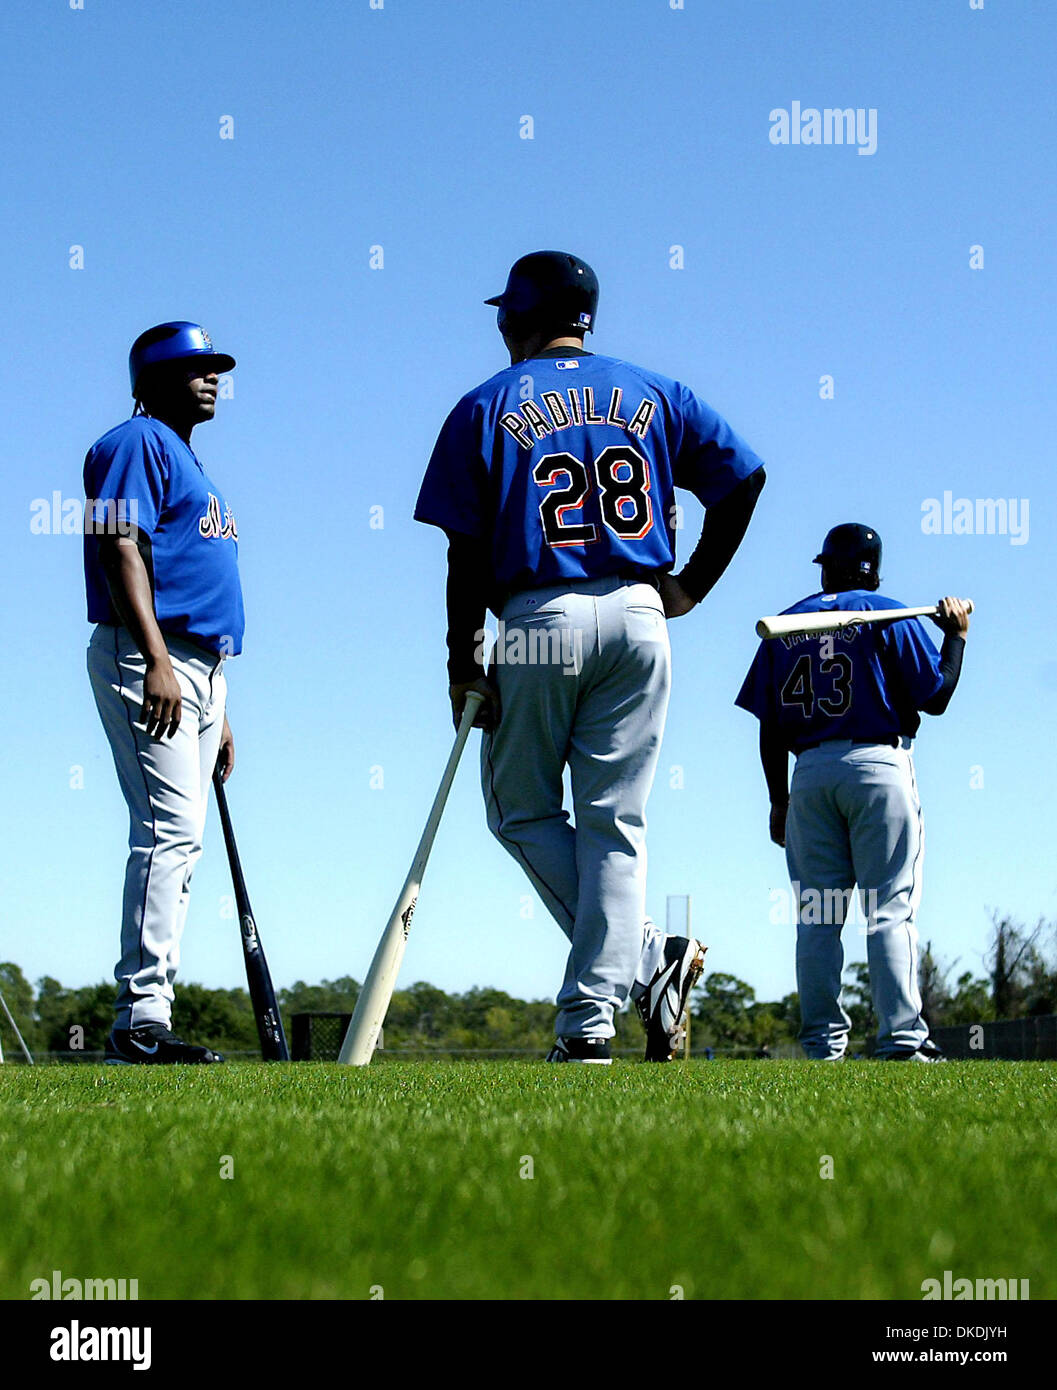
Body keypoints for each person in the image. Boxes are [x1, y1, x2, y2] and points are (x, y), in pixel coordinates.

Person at [415, 251, 766, 1062]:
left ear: (518, 315)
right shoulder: (652, 390)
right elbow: (742, 481)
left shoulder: (484, 403)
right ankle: (603, 1011)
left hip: (540, 610)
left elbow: (464, 555)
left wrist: (460, 661)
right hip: (644, 613)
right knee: (617, 822)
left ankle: (628, 980)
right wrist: (691, 588)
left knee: (521, 811)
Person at [735, 523, 970, 1061]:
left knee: (818, 914)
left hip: (810, 773)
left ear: (825, 567)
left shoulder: (787, 620)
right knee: (888, 908)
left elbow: (769, 726)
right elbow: (935, 696)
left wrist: (778, 798)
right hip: (876, 763)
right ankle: (903, 1040)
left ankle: (821, 1045)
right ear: (873, 566)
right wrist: (955, 636)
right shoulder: (885, 611)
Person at [84, 321, 243, 1065]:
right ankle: (138, 1021)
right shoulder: (134, 442)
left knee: (184, 840)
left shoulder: (189, 460)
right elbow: (119, 546)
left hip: (199, 666)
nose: (210, 378)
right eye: (193, 369)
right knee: (166, 834)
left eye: (214, 368)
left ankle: (148, 1013)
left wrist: (222, 703)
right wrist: (155, 659)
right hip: (151, 655)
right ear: (149, 380)